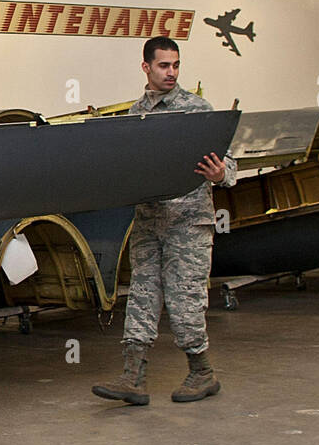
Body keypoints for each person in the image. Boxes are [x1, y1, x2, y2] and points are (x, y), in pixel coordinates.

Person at [92, 36, 236, 406]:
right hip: (148, 222)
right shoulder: (135, 116)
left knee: (184, 300)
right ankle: (133, 377)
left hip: (188, 223)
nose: (171, 72)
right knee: (141, 295)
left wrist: (220, 174)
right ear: (146, 67)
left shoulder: (197, 110)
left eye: (176, 65)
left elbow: (230, 166)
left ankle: (202, 372)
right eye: (163, 65)